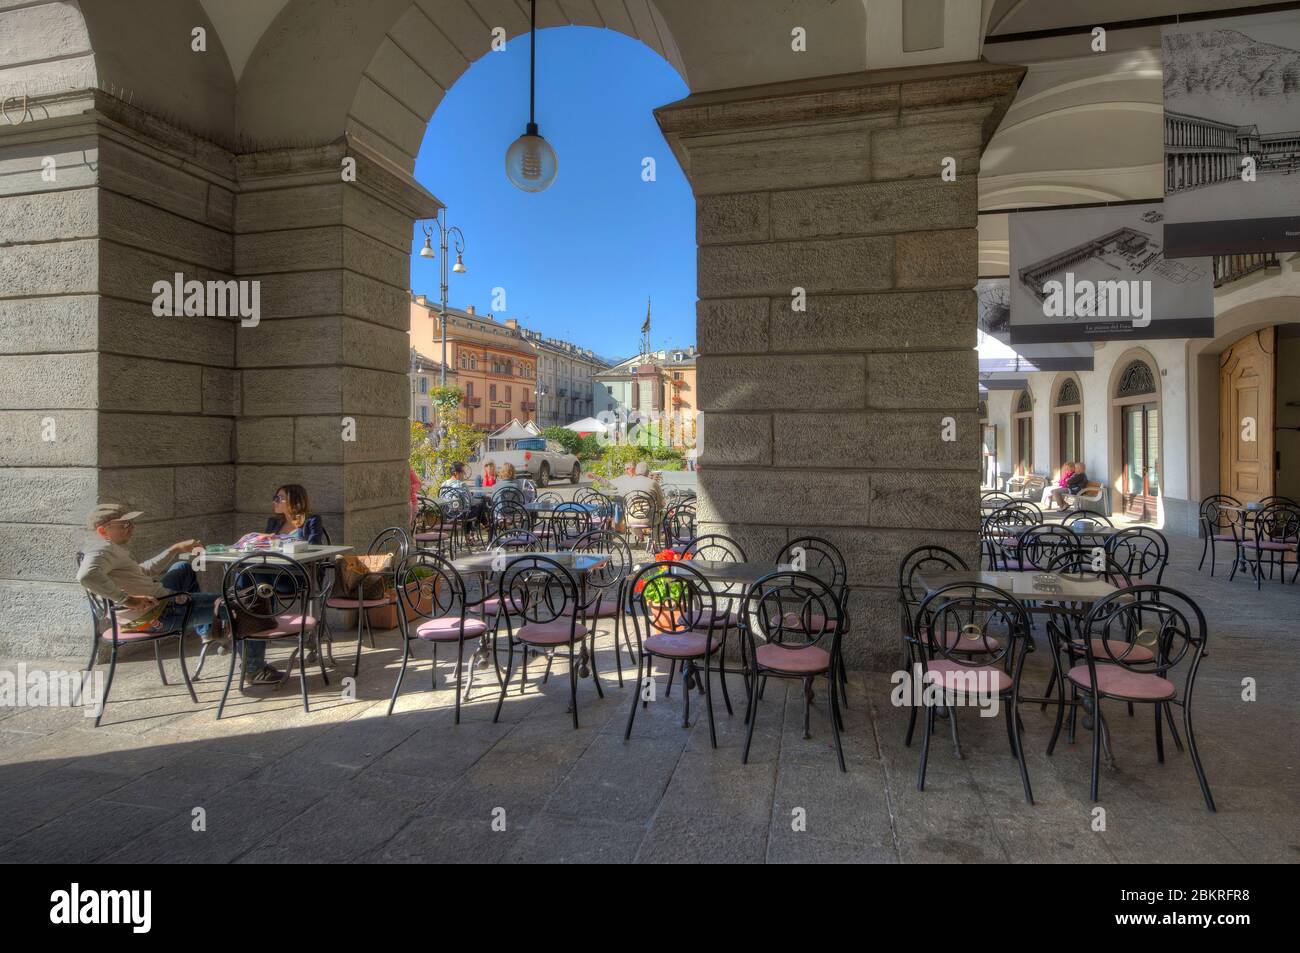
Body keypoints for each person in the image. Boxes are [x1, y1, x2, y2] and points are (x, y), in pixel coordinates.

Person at [75, 503, 217, 642]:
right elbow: (86, 576)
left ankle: (207, 632)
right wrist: (128, 600)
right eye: (124, 525)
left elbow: (143, 571)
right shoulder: (103, 549)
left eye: (131, 522)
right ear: (102, 531)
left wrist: (175, 548)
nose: (131, 527)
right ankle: (224, 639)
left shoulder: (106, 547)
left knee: (182, 567)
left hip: (151, 607)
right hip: (155, 615)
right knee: (234, 603)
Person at [239, 485, 327, 683]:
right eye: (275, 497)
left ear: (294, 500)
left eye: (279, 498)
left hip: (295, 577)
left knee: (248, 588)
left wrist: (280, 541)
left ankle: (249, 658)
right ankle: (253, 662)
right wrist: (261, 540)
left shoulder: (311, 521)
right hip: (270, 577)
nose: (275, 501)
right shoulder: (274, 522)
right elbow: (266, 550)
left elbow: (313, 548)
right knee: (245, 581)